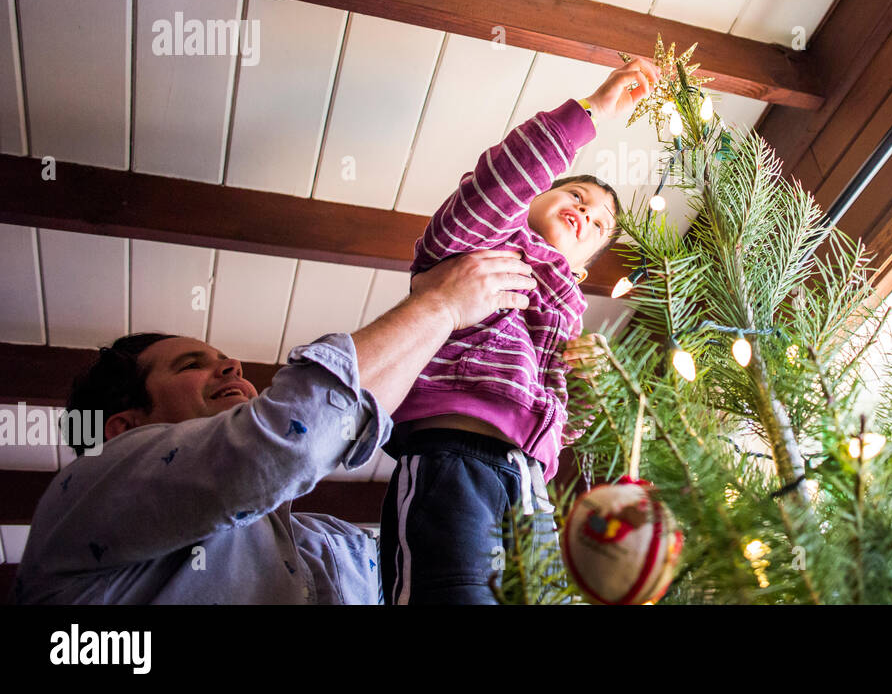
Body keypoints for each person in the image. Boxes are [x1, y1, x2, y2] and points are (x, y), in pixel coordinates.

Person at [11, 249, 537, 604]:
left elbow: (450, 562)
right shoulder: (85, 498)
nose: (232, 366)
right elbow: (291, 437)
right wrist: (439, 305)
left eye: (223, 358)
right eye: (190, 364)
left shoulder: (326, 544)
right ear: (122, 428)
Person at [382, 56, 659, 604]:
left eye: (600, 224)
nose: (587, 214)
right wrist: (594, 111)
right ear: (532, 199)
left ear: (583, 267)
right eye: (575, 198)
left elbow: (564, 422)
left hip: (532, 484)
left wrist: (582, 388)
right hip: (454, 459)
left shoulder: (567, 311)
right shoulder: (479, 247)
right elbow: (498, 186)